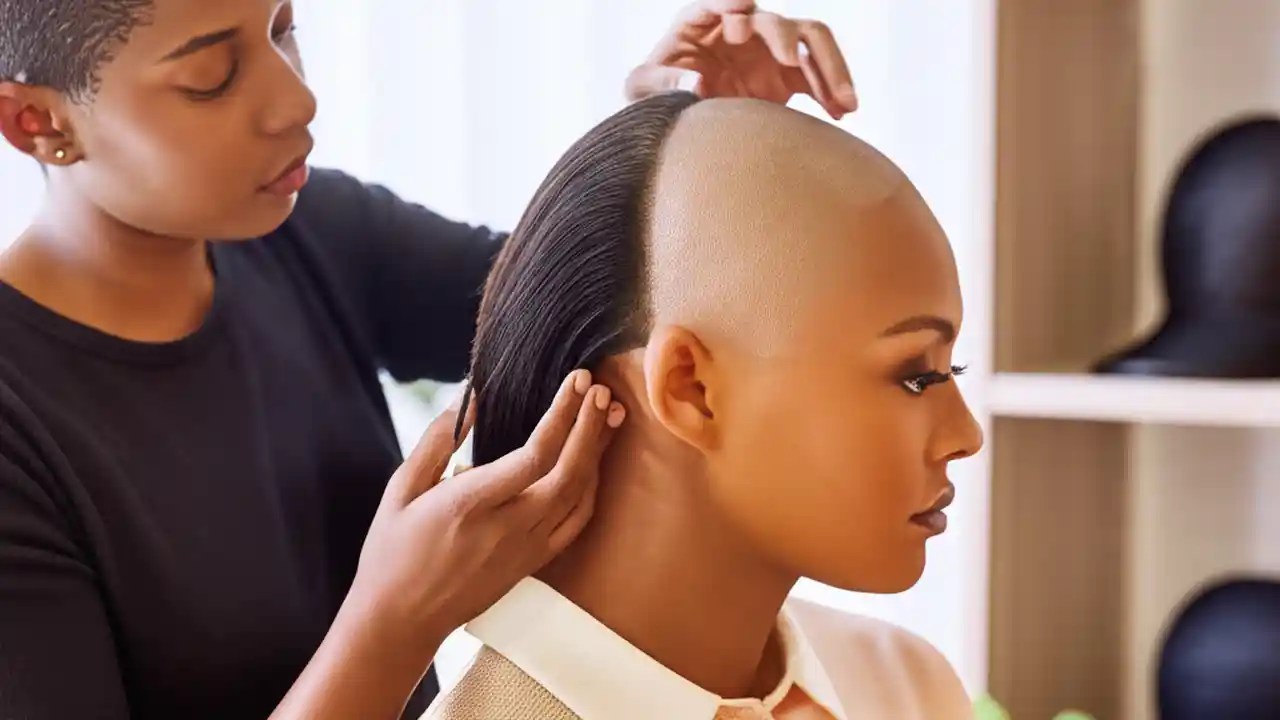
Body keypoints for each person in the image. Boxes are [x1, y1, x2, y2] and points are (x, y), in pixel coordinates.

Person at [0, 1, 858, 718]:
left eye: (282, 29)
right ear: (37, 122)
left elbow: (588, 308)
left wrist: (686, 142)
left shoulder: (308, 232)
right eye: (211, 78)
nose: (295, 100)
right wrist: (393, 620)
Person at [423, 92, 983, 719]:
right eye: (916, 375)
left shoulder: (905, 685)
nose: (966, 435)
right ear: (691, 388)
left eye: (951, 366)